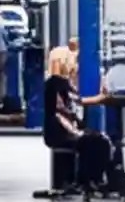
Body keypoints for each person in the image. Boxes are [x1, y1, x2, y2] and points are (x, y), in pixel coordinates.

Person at [43, 46, 113, 193]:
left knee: (100, 140)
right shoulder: (54, 83)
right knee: (94, 141)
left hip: (66, 128)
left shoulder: (63, 83)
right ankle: (88, 180)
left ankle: (93, 179)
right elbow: (69, 105)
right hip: (60, 130)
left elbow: (76, 100)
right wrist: (99, 98)